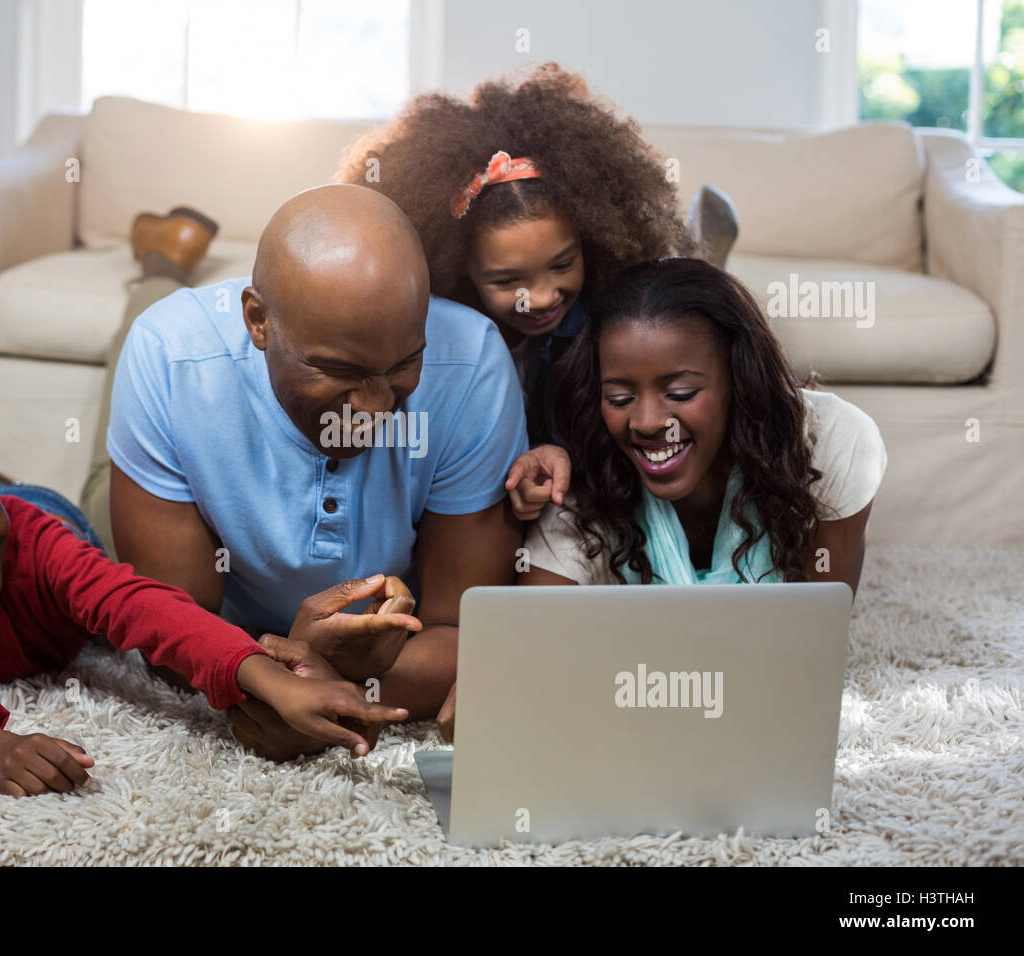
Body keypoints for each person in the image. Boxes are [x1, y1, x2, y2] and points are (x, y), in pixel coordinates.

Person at [99, 184, 529, 760]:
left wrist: (306, 686)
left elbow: (466, 634)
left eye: (404, 364)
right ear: (257, 319)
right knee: (90, 484)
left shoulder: (473, 361)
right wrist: (277, 681)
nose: (376, 409)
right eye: (338, 368)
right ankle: (162, 262)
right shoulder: (168, 353)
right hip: (170, 380)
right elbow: (174, 635)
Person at [0, 386, 409, 796]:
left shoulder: (40, 548)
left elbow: (142, 609)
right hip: (8, 511)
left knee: (108, 467)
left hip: (54, 519)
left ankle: (155, 271)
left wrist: (269, 677)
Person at [338, 62, 738, 521]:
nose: (543, 296)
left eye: (563, 265)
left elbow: (619, 422)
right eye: (508, 281)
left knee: (676, 302)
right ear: (456, 267)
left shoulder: (603, 315)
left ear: (590, 240)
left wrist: (561, 452)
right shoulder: (447, 340)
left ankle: (700, 263)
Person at [520, 257, 886, 594]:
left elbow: (817, 638)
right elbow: (528, 638)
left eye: (681, 392)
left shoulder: (831, 444)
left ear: (740, 380)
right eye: (619, 398)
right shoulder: (590, 475)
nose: (646, 422)